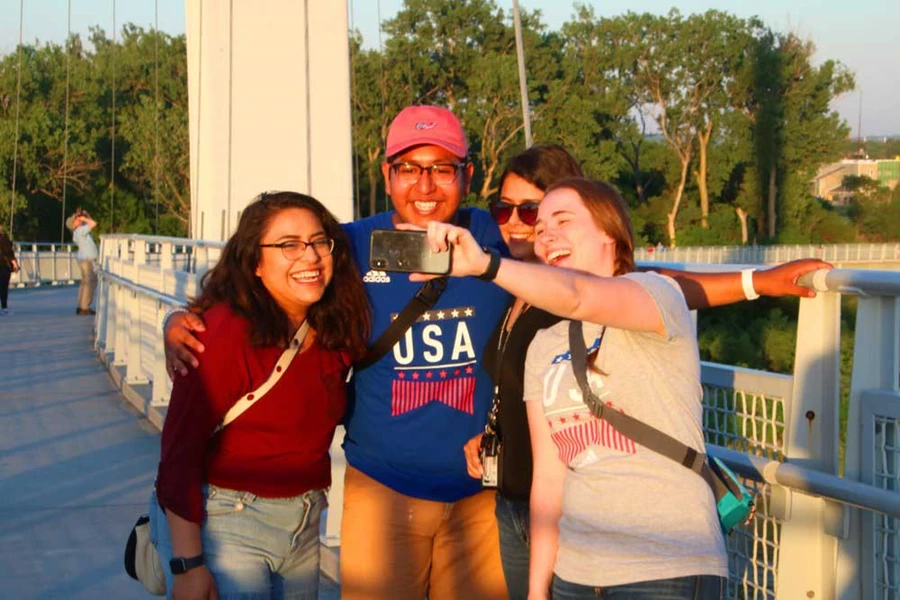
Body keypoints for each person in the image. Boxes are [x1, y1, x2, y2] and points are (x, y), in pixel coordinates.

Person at [164, 105, 828, 599]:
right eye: (408, 169)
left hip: (481, 501)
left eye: (442, 169)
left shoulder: (501, 236)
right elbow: (267, 275)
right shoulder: (349, 246)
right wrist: (185, 320)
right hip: (383, 490)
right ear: (386, 174)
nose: (425, 186)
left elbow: (627, 286)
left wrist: (757, 282)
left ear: (467, 174)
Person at [411, 178, 829, 599]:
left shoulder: (658, 296)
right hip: (577, 574)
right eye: (541, 229)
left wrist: (485, 265)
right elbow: (549, 482)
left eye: (563, 221)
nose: (546, 236)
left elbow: (579, 296)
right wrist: (538, 589)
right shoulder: (544, 344)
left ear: (609, 232)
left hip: (665, 566)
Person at [150, 191, 370, 599]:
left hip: (305, 522)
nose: (310, 256)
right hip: (228, 524)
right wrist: (188, 566)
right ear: (254, 261)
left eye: (318, 241)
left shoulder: (333, 329)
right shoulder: (224, 333)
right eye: (289, 245)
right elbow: (179, 454)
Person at [70, 209, 99, 315]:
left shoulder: (78, 232)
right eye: (77, 219)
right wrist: (84, 218)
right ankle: (85, 307)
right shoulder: (80, 231)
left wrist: (85, 215)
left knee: (84, 283)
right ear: (73, 223)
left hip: (84, 258)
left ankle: (81, 305)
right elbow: (93, 223)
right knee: (89, 283)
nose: (79, 220)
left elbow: (90, 222)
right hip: (87, 259)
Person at [0, 224, 19, 315]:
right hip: (3, 265)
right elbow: (9, 253)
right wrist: (15, 264)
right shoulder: (4, 239)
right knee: (3, 287)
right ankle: (4, 308)